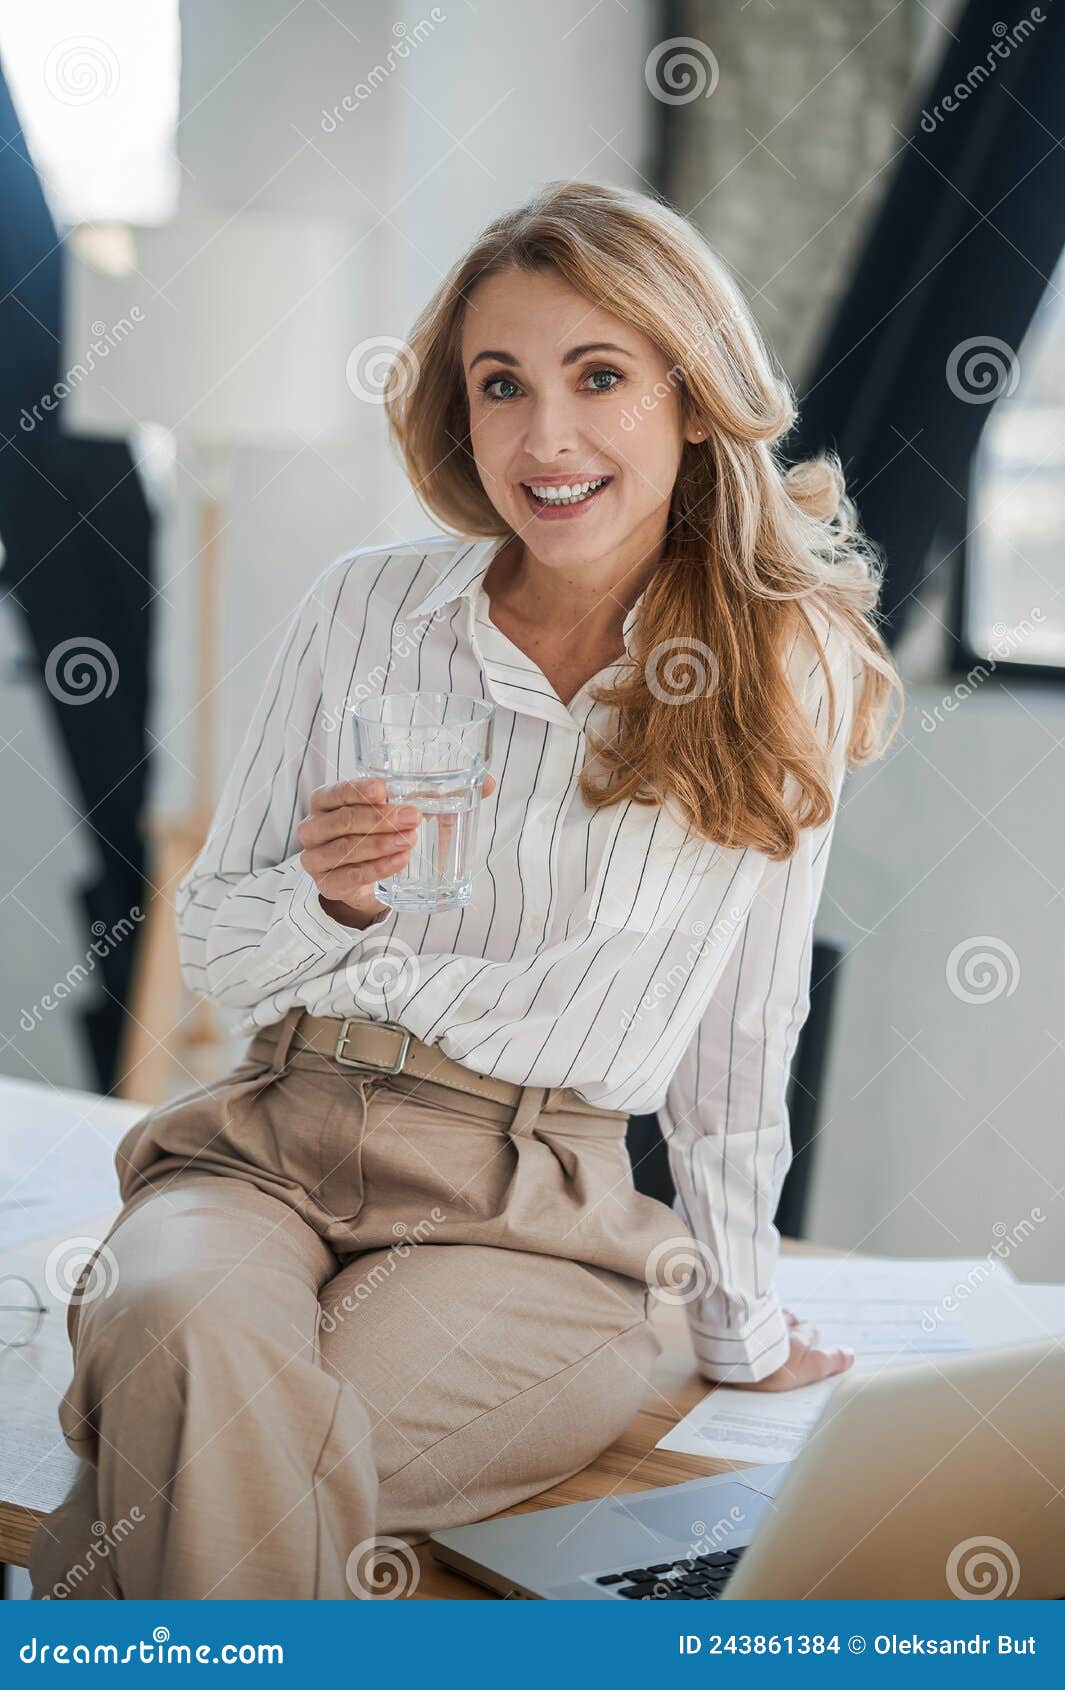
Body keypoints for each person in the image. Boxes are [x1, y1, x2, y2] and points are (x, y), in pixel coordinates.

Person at [29, 179, 901, 1601]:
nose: (542, 437)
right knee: (189, 1345)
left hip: (535, 1207)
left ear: (692, 399)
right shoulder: (364, 607)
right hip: (262, 1144)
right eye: (501, 386)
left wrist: (739, 1322)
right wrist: (332, 902)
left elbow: (743, 1034)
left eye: (598, 376)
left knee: (202, 1438)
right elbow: (225, 953)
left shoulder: (775, 663)